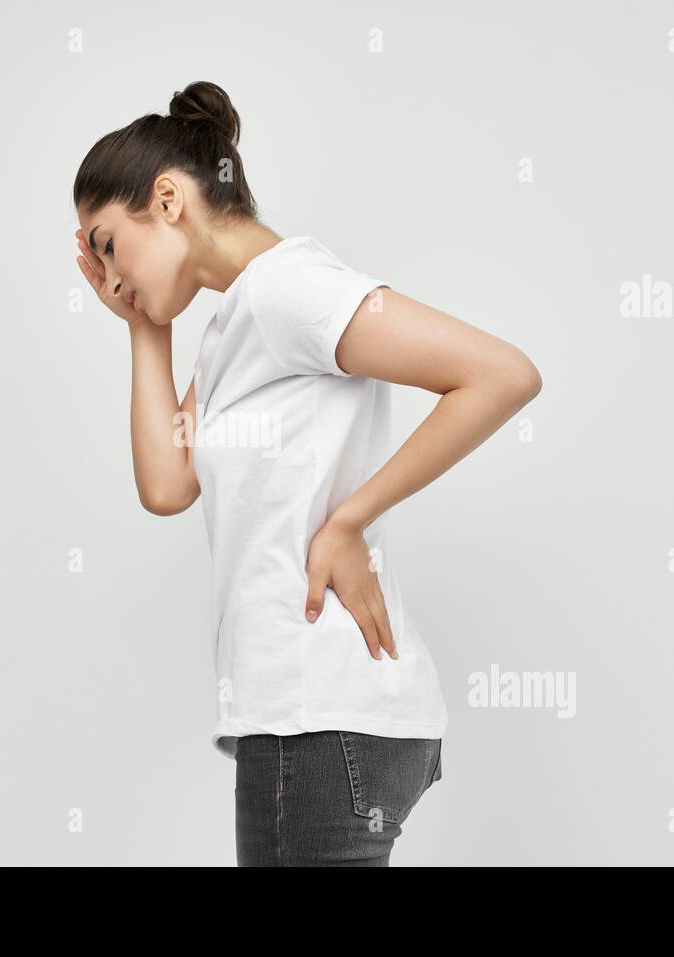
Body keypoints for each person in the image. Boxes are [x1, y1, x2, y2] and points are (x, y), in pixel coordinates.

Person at [72, 81, 542, 866]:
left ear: (166, 200)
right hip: (302, 717)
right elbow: (167, 483)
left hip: (321, 718)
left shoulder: (289, 289)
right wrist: (144, 328)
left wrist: (349, 518)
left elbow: (501, 374)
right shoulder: (236, 324)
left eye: (108, 242)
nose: (108, 275)